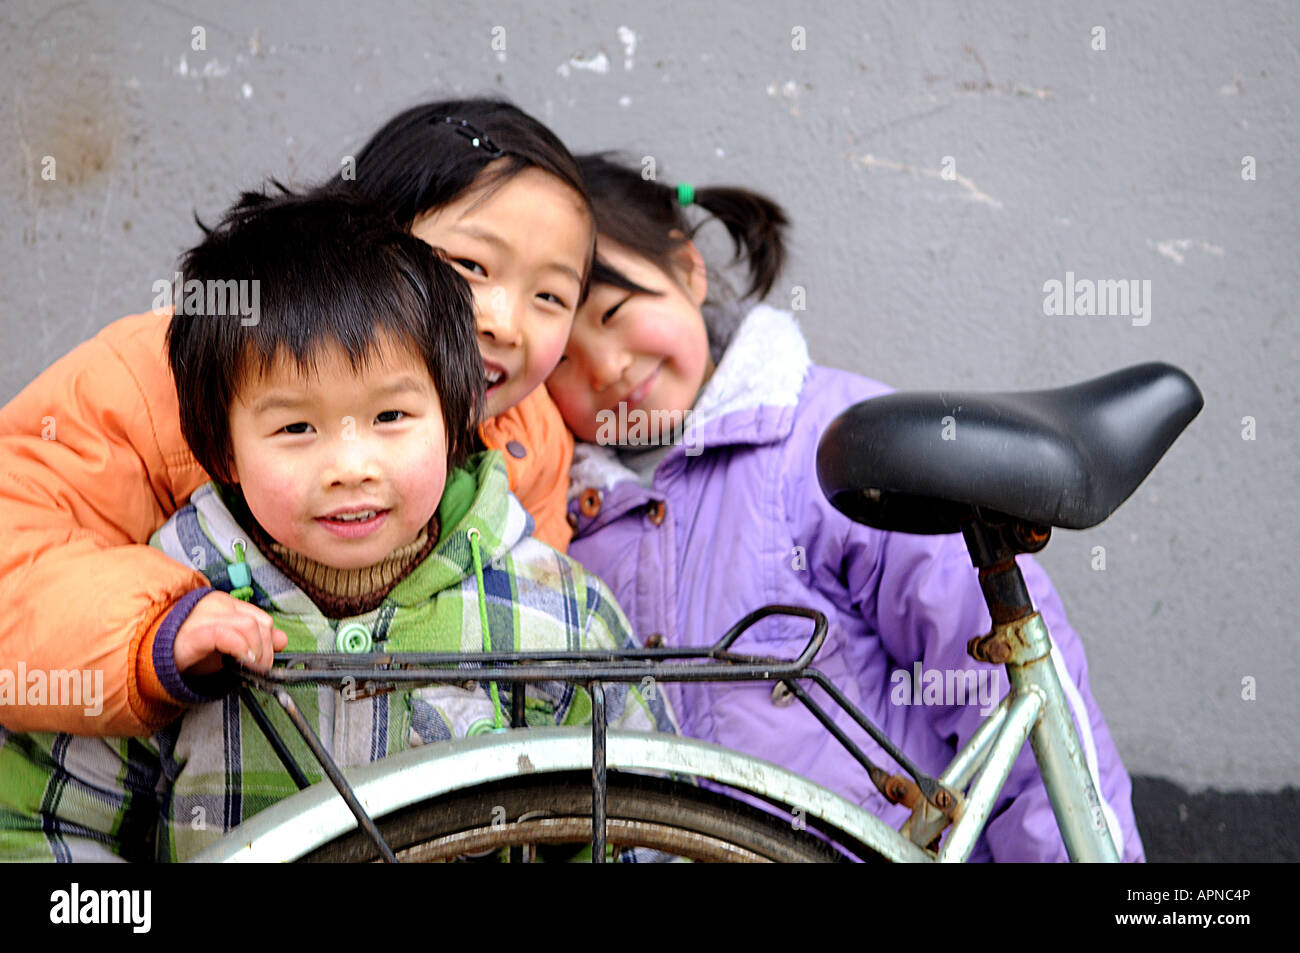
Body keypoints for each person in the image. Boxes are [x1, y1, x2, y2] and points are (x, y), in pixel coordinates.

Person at [0, 188, 673, 862]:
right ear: (222, 449)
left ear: (455, 418)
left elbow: (648, 829)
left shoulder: (554, 612)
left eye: (391, 418)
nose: (351, 466)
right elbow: (43, 826)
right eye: (296, 427)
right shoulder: (170, 624)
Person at [544, 153, 1146, 862]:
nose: (606, 366)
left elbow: (1010, 697)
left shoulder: (837, 448)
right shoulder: (569, 530)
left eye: (615, 313)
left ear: (687, 269)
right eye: (561, 358)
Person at [0, 99, 593, 737]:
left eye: (550, 296)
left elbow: (537, 636)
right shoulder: (157, 381)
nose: (503, 322)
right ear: (363, 240)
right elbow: (16, 556)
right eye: (471, 266)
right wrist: (159, 633)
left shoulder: (525, 439)